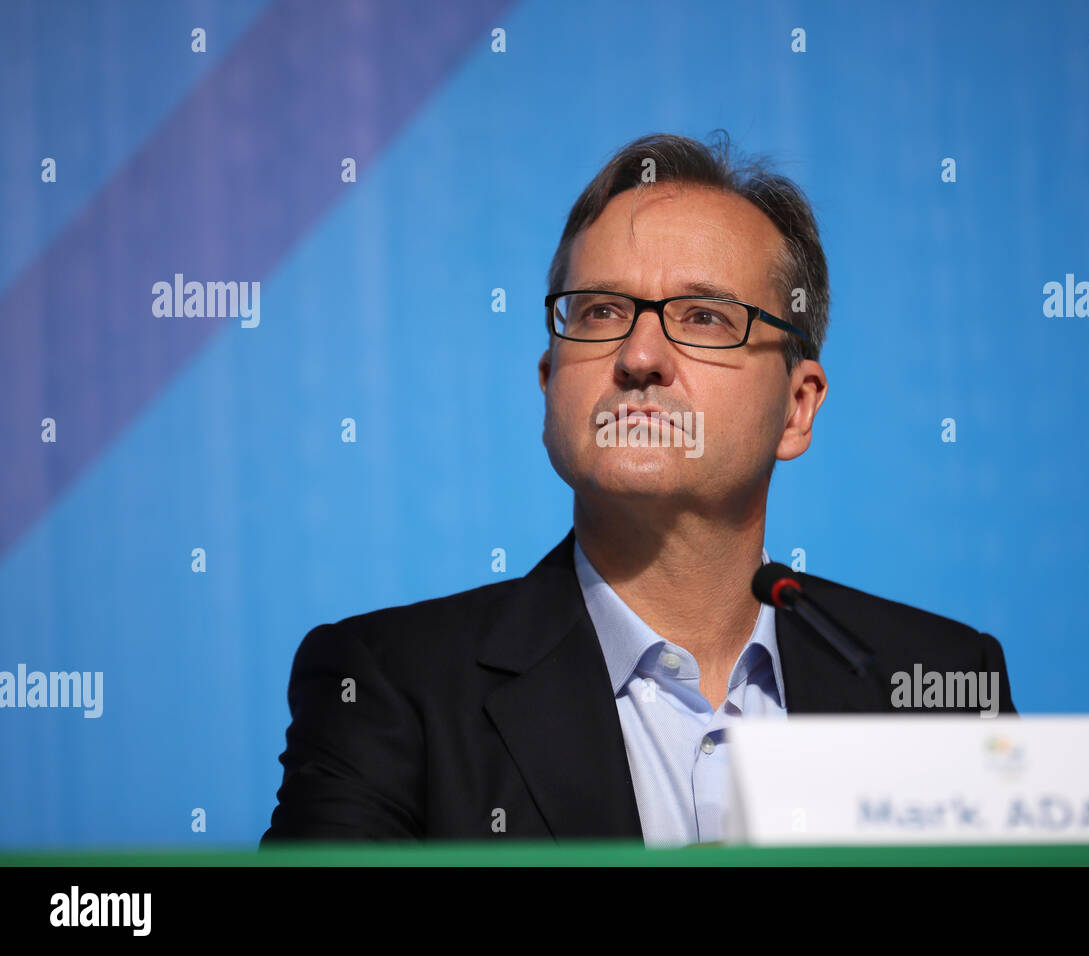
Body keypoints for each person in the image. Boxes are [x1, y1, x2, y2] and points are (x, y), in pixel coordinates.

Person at [262, 131, 1015, 847]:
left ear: (797, 407)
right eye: (600, 312)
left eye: (704, 317)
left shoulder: (939, 677)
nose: (640, 355)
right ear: (550, 382)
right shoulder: (389, 687)